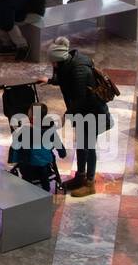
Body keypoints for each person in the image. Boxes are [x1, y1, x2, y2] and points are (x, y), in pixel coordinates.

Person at [44, 36, 109, 197]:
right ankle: (80, 177)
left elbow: (80, 97)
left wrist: (67, 114)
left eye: (53, 62)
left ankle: (90, 183)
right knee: (81, 144)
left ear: (59, 59)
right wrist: (50, 80)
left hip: (93, 113)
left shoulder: (79, 69)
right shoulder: (68, 65)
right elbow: (66, 81)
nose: (52, 65)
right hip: (83, 112)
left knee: (89, 146)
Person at [7, 102, 67, 189]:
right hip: (45, 162)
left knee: (26, 168)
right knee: (44, 174)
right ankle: (46, 190)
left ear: (31, 114)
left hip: (29, 163)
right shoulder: (50, 129)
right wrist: (62, 153)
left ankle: (28, 188)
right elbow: (58, 144)